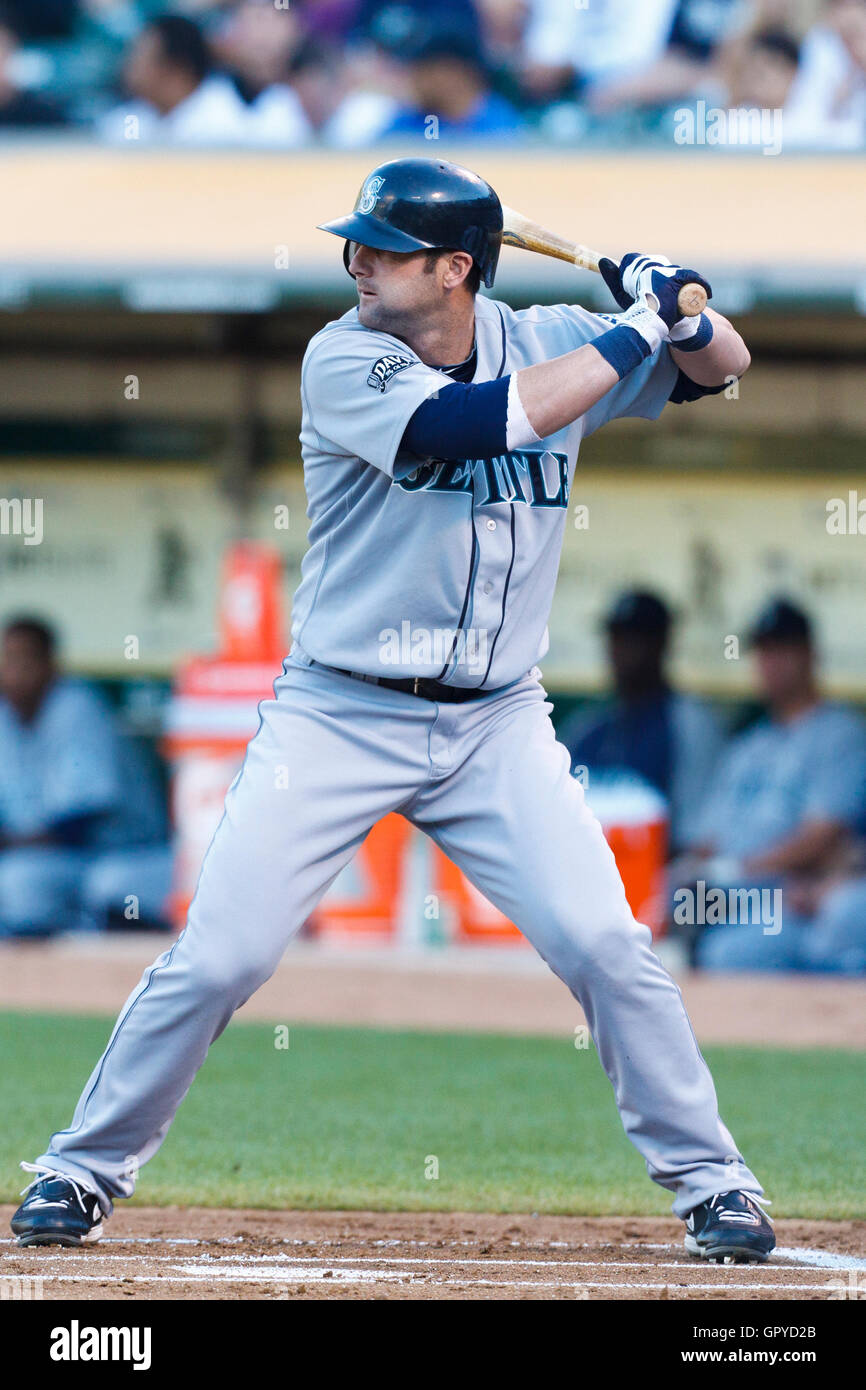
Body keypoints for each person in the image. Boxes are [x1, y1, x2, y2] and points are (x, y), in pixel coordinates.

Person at [12, 156, 774, 1266]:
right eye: (356, 240)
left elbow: (725, 363)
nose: (355, 259)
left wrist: (668, 298)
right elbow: (478, 426)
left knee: (609, 944)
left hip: (494, 724)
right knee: (219, 956)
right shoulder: (344, 353)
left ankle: (712, 1184)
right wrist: (633, 328)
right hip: (338, 712)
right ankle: (80, 1168)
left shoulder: (548, 330)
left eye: (384, 245)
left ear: (458, 268)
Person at [688, 598, 866, 970]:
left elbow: (823, 836)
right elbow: (707, 840)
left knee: (727, 954)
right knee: (665, 902)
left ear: (810, 655)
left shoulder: (839, 734)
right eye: (765, 651)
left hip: (791, 894)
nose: (772, 663)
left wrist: (740, 869)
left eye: (783, 650)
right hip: (727, 893)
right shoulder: (746, 747)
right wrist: (693, 873)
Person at [0, 617, 172, 938]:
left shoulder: (75, 706)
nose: (13, 672)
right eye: (7, 661)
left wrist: (11, 842)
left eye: (24, 660)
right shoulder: (6, 716)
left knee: (22, 880)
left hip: (128, 854)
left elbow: (77, 824)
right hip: (66, 861)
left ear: (49, 665)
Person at [559, 590, 724, 855]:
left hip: (655, 877)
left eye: (632, 640)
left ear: (661, 645)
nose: (619, 651)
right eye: (615, 639)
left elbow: (696, 837)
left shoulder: (690, 723)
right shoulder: (587, 727)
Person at [98, 12, 252, 146]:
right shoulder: (132, 117)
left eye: (140, 58)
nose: (129, 66)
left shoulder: (224, 124)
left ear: (176, 68)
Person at [377, 10, 524, 141]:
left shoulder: (499, 123)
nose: (415, 79)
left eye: (425, 70)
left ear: (456, 74)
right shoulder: (410, 119)